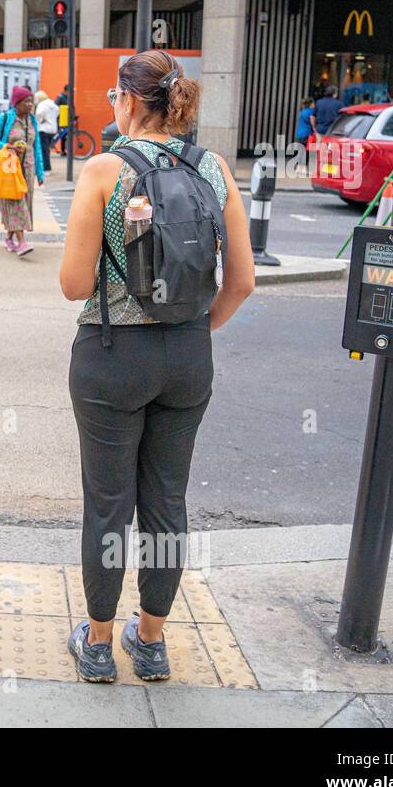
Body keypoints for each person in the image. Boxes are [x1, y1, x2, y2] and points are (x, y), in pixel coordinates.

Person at [58, 49, 254, 684]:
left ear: (126, 100)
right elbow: (243, 281)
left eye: (114, 96)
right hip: (188, 357)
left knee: (108, 504)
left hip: (114, 357)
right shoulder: (214, 168)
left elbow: (72, 284)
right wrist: (194, 327)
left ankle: (96, 643)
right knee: (168, 500)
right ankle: (151, 641)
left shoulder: (103, 171)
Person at [0, 85, 45, 256]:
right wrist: (8, 146)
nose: (30, 105)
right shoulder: (4, 118)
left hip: (28, 168)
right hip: (9, 168)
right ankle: (22, 242)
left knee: (24, 204)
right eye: (26, 102)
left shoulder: (32, 120)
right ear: (16, 103)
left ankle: (9, 239)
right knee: (15, 203)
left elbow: (37, 147)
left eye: (31, 102)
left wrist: (39, 172)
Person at [35, 90, 59, 174]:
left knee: (43, 150)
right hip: (53, 129)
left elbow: (38, 114)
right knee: (47, 149)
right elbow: (57, 112)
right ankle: (47, 168)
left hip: (43, 129)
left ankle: (46, 169)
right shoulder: (53, 103)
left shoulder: (41, 105)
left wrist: (41, 121)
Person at [55, 85, 71, 154]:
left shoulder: (67, 97)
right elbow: (55, 107)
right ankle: (61, 150)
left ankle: (63, 150)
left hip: (65, 119)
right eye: (69, 91)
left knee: (64, 135)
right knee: (61, 135)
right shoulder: (60, 97)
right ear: (65, 91)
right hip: (60, 119)